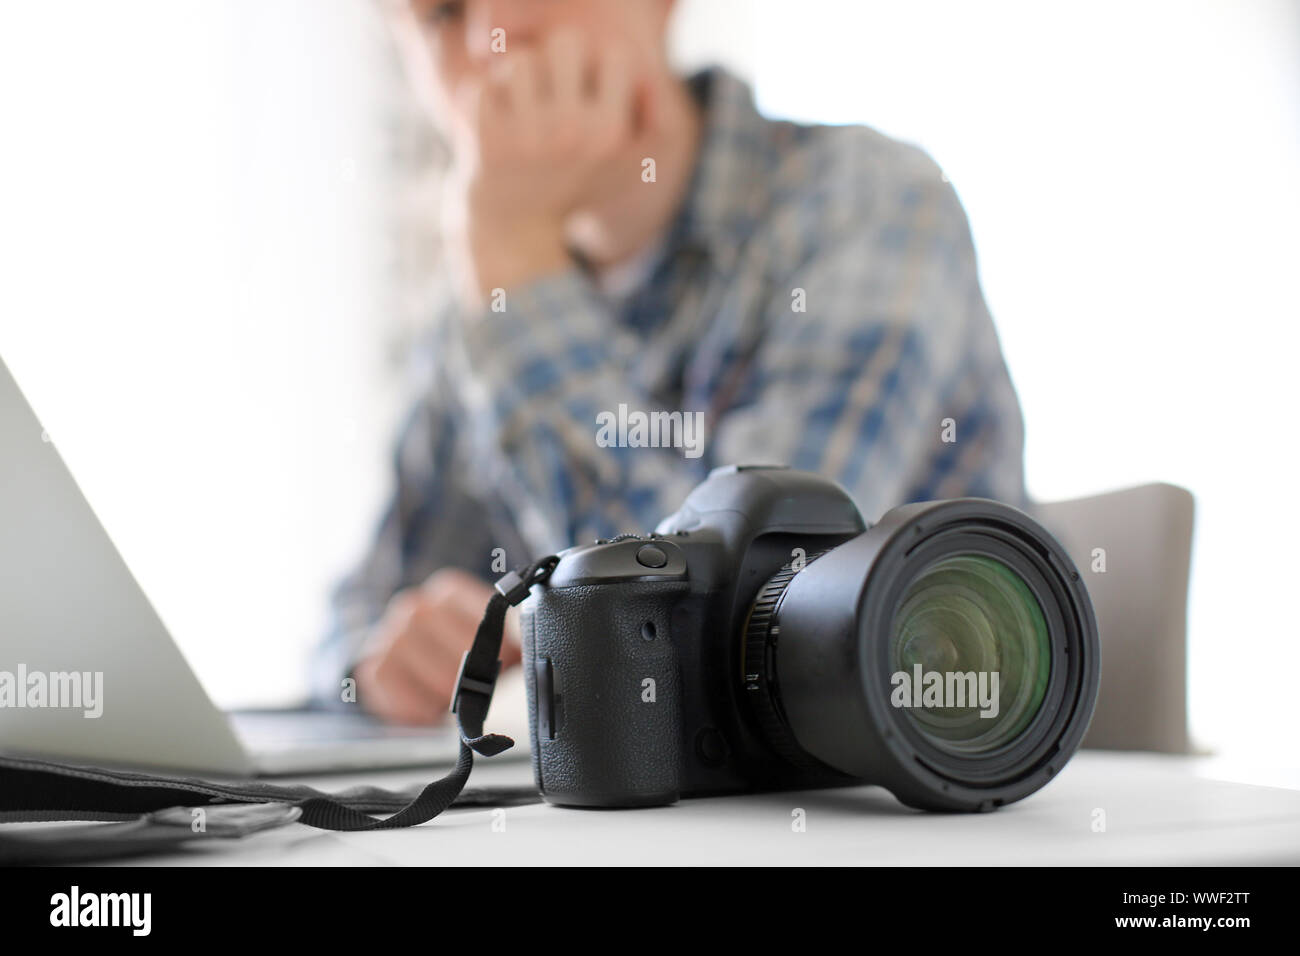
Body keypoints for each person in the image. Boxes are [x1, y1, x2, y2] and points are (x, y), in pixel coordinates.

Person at [313, 0, 1028, 725]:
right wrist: (384, 663)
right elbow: (351, 619)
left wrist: (514, 259)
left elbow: (738, 631)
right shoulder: (473, 314)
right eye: (440, 13)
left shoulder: (870, 203)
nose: (497, 31)